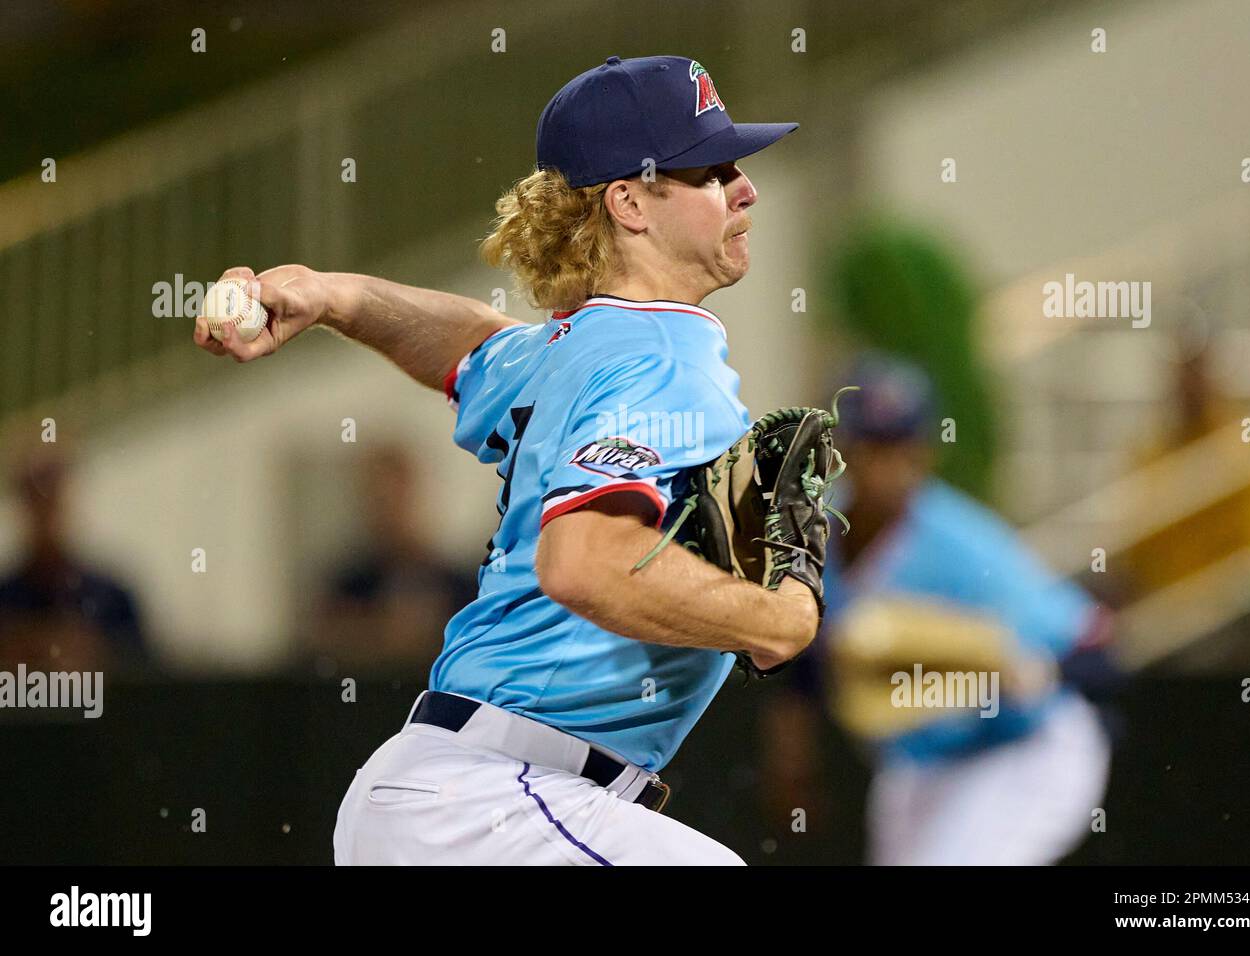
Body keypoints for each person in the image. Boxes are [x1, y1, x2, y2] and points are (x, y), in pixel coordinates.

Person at [193, 55, 817, 865]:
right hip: (497, 801)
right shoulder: (665, 356)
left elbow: (470, 347)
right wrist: (780, 619)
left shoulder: (572, 347)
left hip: (446, 796)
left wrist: (333, 296)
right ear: (629, 201)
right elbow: (584, 564)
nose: (745, 188)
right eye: (709, 171)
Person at [761, 354, 1117, 865]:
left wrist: (1035, 670)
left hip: (1023, 750)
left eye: (901, 445)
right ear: (840, 451)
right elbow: (801, 664)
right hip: (922, 763)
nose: (887, 464)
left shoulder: (964, 548)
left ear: (924, 450)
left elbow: (1098, 647)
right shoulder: (815, 537)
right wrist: (790, 765)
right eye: (873, 444)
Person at [313, 443, 475, 669]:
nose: (388, 510)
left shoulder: (462, 584)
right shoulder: (347, 584)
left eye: (395, 495)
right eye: (377, 498)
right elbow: (325, 644)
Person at [0, 446, 148, 672]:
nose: (45, 508)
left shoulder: (113, 600)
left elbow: (147, 679)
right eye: (35, 496)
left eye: (52, 492)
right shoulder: (6, 599)